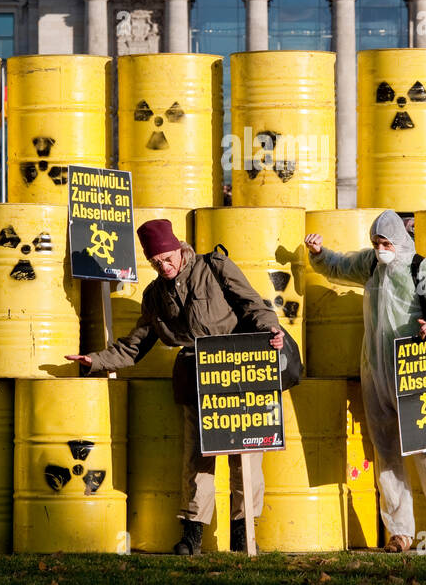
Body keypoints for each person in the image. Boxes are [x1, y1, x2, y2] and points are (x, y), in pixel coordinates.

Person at [66, 218, 283, 556]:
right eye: (155, 262)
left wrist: (273, 331)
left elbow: (254, 304)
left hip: (238, 369)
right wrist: (95, 361)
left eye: (168, 258)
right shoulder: (154, 296)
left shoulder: (214, 267)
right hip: (194, 376)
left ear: (179, 249)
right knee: (198, 458)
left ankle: (243, 536)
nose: (164, 266)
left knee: (246, 456)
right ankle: (192, 535)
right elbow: (135, 345)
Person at [305, 210, 426, 554]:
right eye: (375, 243)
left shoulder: (421, 269)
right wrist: (319, 255)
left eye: (385, 242)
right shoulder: (370, 265)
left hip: (414, 371)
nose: (380, 248)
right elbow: (339, 267)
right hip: (375, 373)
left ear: (400, 240)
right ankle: (400, 532)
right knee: (386, 454)